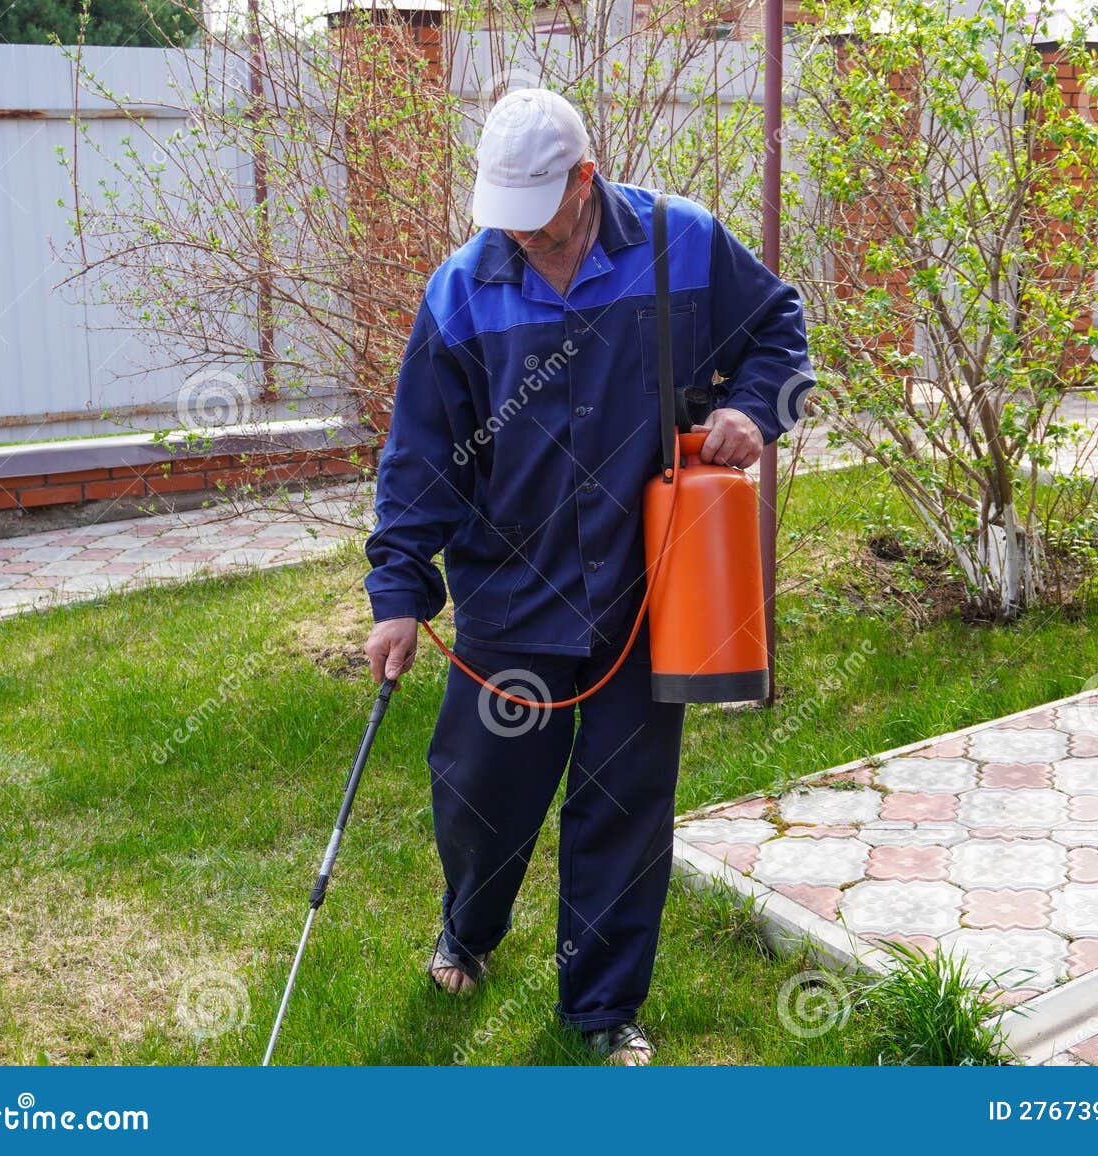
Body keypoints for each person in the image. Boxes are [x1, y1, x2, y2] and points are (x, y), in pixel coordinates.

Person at [362, 87, 811, 1065]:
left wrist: (756, 408)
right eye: (504, 222)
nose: (520, 240)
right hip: (512, 599)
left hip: (648, 590)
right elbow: (419, 459)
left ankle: (601, 1006)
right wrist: (398, 593)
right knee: (481, 790)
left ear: (584, 182)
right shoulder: (459, 291)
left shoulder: (680, 245)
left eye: (539, 218)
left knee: (623, 803)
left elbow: (781, 326)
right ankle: (469, 928)